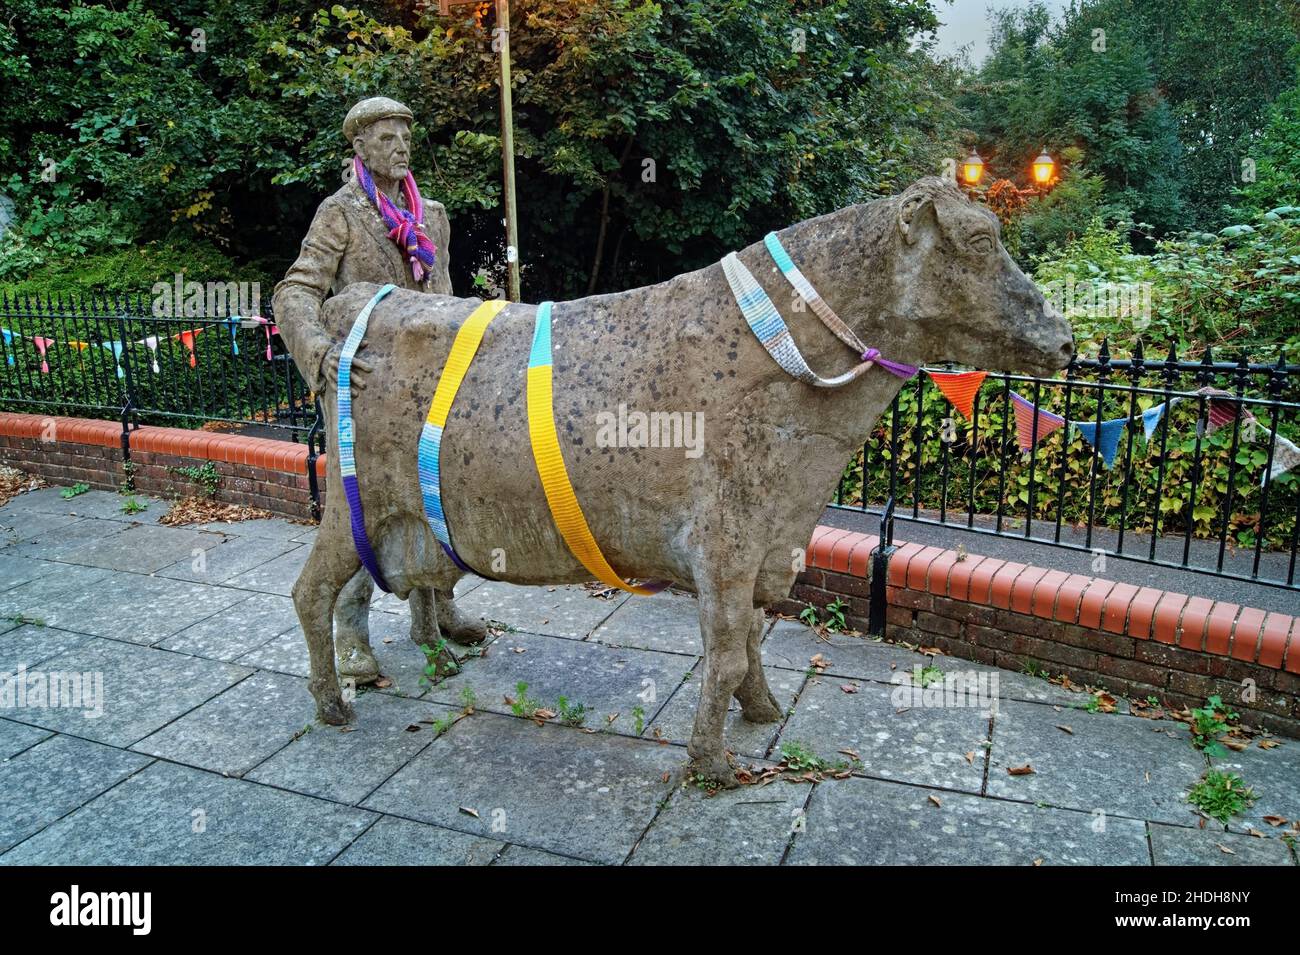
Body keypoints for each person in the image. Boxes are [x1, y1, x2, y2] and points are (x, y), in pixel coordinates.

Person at [273, 96, 486, 684]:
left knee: (435, 497)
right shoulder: (339, 213)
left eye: (406, 137)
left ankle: (435, 613)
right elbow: (295, 290)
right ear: (360, 147)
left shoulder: (431, 216)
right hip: (363, 388)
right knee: (360, 509)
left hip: (430, 387)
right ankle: (350, 634)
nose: (400, 147)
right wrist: (320, 352)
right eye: (387, 138)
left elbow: (444, 298)